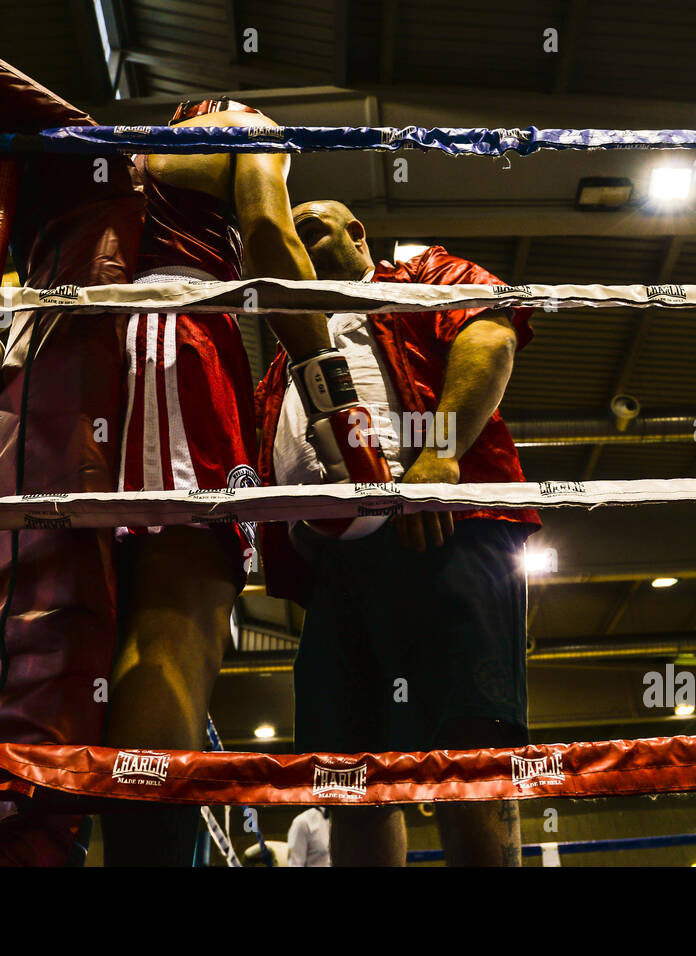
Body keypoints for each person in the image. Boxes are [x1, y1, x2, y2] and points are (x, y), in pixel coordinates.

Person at [102, 105, 389, 866]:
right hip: (172, 333)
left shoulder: (109, 162)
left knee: (88, 622)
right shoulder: (239, 126)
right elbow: (268, 237)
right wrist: (337, 400)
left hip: (74, 363)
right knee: (176, 603)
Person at [254, 200, 539, 866]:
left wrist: (439, 454)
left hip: (445, 529)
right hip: (335, 573)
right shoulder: (282, 356)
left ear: (358, 234)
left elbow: (489, 336)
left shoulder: (421, 273)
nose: (294, 240)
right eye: (283, 236)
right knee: (352, 779)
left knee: (468, 757)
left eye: (312, 228)